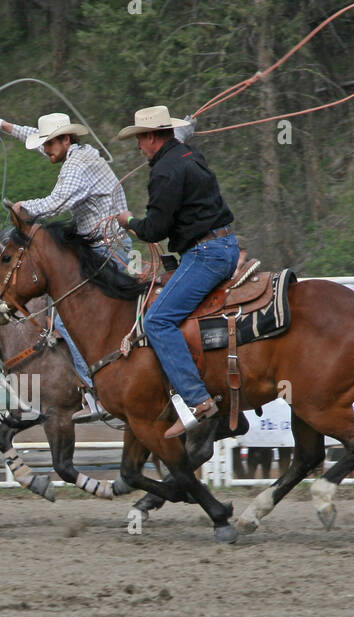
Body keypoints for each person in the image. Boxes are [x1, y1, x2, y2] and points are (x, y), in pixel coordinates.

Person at [0, 112, 133, 417]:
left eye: (49, 144)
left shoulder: (77, 165)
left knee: (63, 319)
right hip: (97, 247)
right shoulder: (75, 155)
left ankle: (94, 391)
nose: (45, 149)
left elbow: (57, 203)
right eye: (44, 144)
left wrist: (22, 207)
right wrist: (5, 126)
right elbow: (38, 141)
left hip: (107, 249)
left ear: (65, 140)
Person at [113, 105, 239, 438]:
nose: (139, 147)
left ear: (153, 137)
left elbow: (155, 229)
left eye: (140, 139)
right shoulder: (188, 154)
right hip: (225, 246)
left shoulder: (166, 171)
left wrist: (128, 222)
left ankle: (198, 400)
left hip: (205, 255)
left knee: (157, 320)